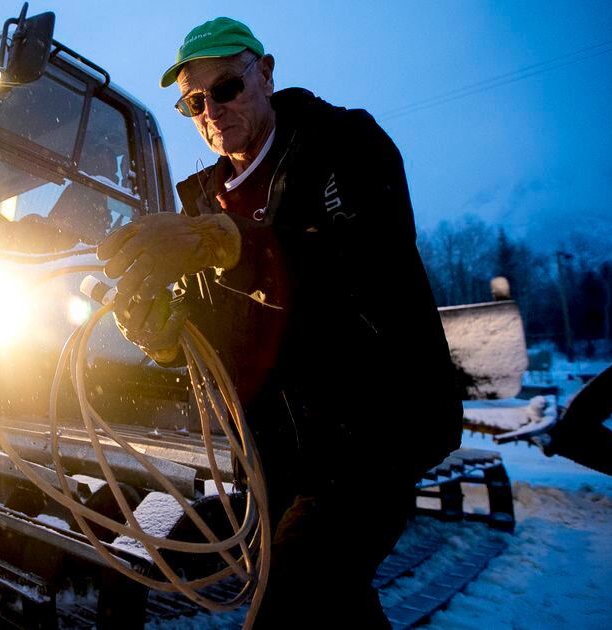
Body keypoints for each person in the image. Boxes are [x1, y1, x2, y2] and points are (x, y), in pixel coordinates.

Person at [96, 17, 464, 627]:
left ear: (265, 73)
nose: (211, 110)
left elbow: (370, 269)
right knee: (331, 599)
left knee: (288, 601)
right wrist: (165, 336)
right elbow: (223, 343)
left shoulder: (344, 143)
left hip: (373, 429)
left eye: (227, 88)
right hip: (282, 451)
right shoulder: (200, 200)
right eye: (194, 101)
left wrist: (231, 242)